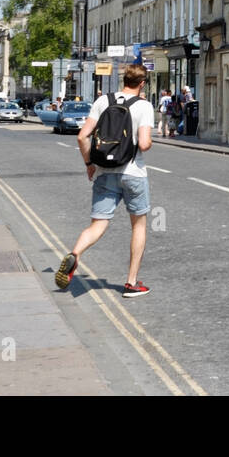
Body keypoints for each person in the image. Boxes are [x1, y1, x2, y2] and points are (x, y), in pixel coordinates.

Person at [55, 64, 156, 298]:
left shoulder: (103, 101)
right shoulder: (144, 106)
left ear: (124, 80)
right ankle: (131, 283)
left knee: (98, 225)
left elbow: (82, 136)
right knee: (138, 226)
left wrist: (89, 164)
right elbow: (143, 144)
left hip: (104, 171)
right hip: (133, 173)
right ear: (142, 84)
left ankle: (75, 254)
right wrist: (149, 142)